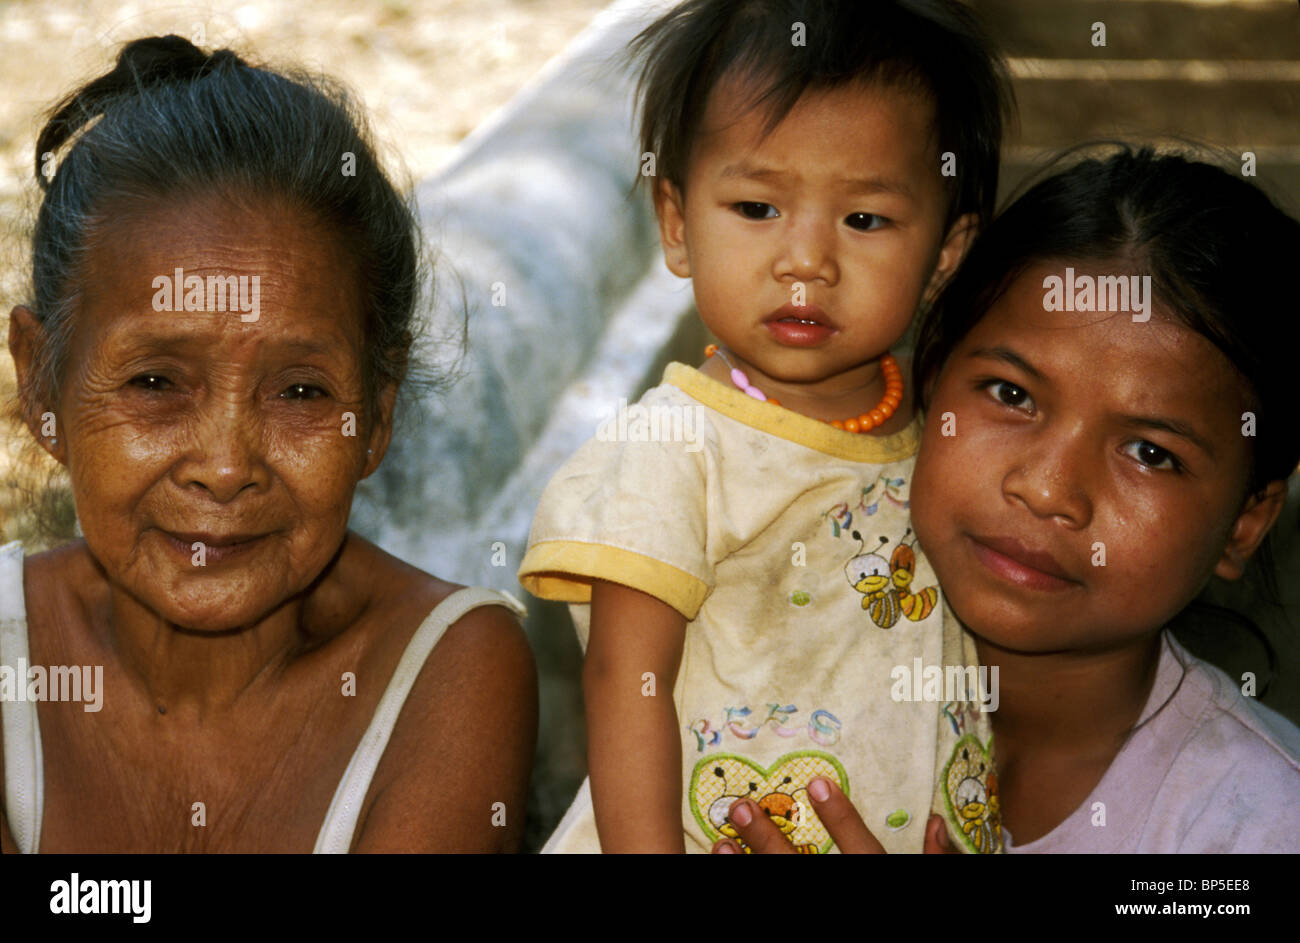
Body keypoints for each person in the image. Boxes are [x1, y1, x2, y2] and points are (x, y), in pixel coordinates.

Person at [0, 35, 537, 853]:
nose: (224, 467)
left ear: (376, 421)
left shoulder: (450, 671)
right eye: (155, 383)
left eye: (300, 393)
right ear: (42, 386)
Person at [518, 0, 1013, 853]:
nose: (805, 261)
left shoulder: (947, 438)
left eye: (865, 219)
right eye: (756, 208)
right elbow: (626, 677)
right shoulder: (676, 449)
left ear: (944, 252)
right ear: (677, 223)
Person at [715, 146, 1300, 853]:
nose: (1047, 487)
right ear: (933, 378)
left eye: (1150, 452)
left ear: (1245, 521)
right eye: (1011, 394)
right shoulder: (738, 653)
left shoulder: (1255, 825)